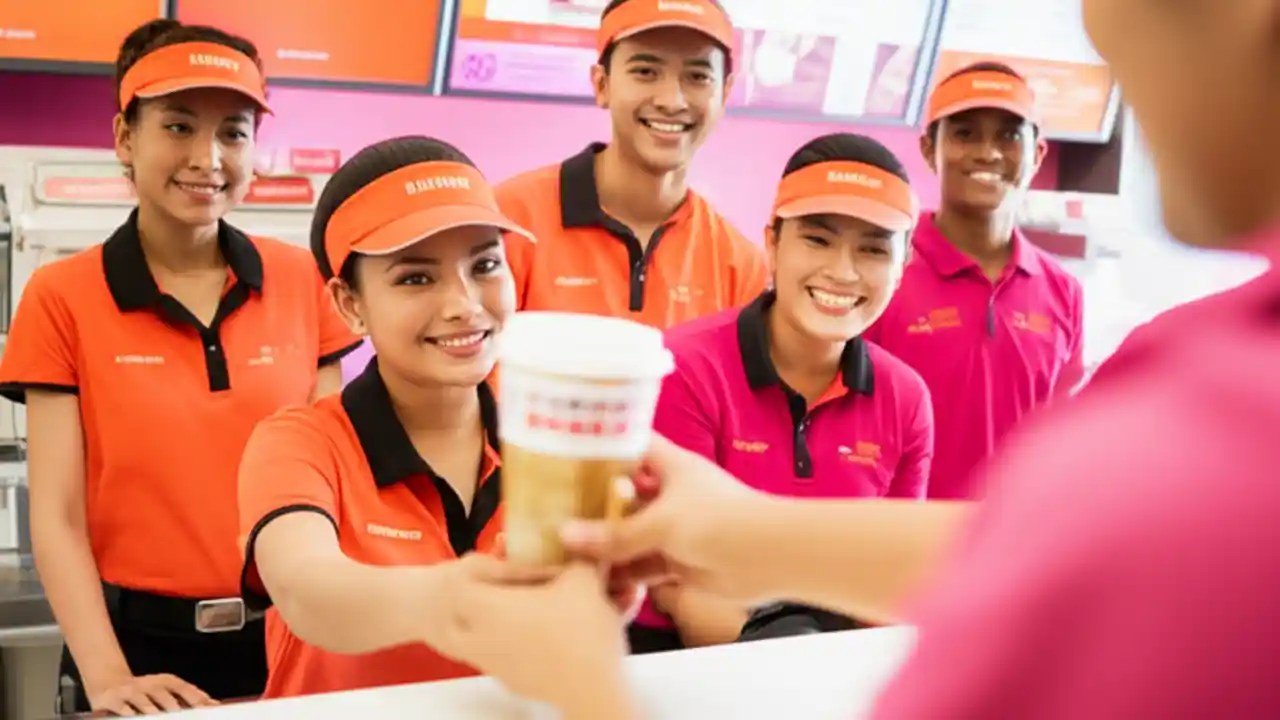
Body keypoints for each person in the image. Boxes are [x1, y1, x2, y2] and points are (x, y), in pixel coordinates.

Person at [427, 0, 1280, 716]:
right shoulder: (530, 233)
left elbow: (1066, 557)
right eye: (819, 238)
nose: (1097, 30)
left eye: (873, 247)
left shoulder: (1197, 422)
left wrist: (595, 686)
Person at [0, 19, 361, 716]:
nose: (208, 157)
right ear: (124, 139)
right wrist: (107, 677)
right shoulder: (61, 295)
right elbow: (59, 517)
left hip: (287, 638)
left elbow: (326, 487)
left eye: (233, 132)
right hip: (131, 647)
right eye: (178, 126)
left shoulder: (301, 280)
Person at [236, 135, 636, 699]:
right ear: (350, 304)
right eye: (416, 278)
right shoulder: (300, 444)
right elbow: (308, 593)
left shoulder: (549, 436)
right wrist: (454, 598)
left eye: (485, 264)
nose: (464, 305)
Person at [628, 133, 933, 654]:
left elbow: (896, 580)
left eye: (873, 249)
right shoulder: (684, 367)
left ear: (902, 266)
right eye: (817, 240)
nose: (842, 271)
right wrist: (797, 657)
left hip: (834, 658)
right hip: (682, 661)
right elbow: (680, 586)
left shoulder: (906, 399)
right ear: (772, 243)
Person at [862, 61, 1085, 500]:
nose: (988, 153)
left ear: (1038, 154)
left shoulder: (1064, 293)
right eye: (965, 134)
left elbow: (1061, 436)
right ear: (929, 149)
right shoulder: (882, 271)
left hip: (1015, 532)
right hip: (897, 532)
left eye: (1009, 136)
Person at [495, 0, 769, 330]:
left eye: (698, 76)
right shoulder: (507, 221)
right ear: (602, 85)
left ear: (724, 94)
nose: (672, 101)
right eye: (645, 72)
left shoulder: (740, 266)